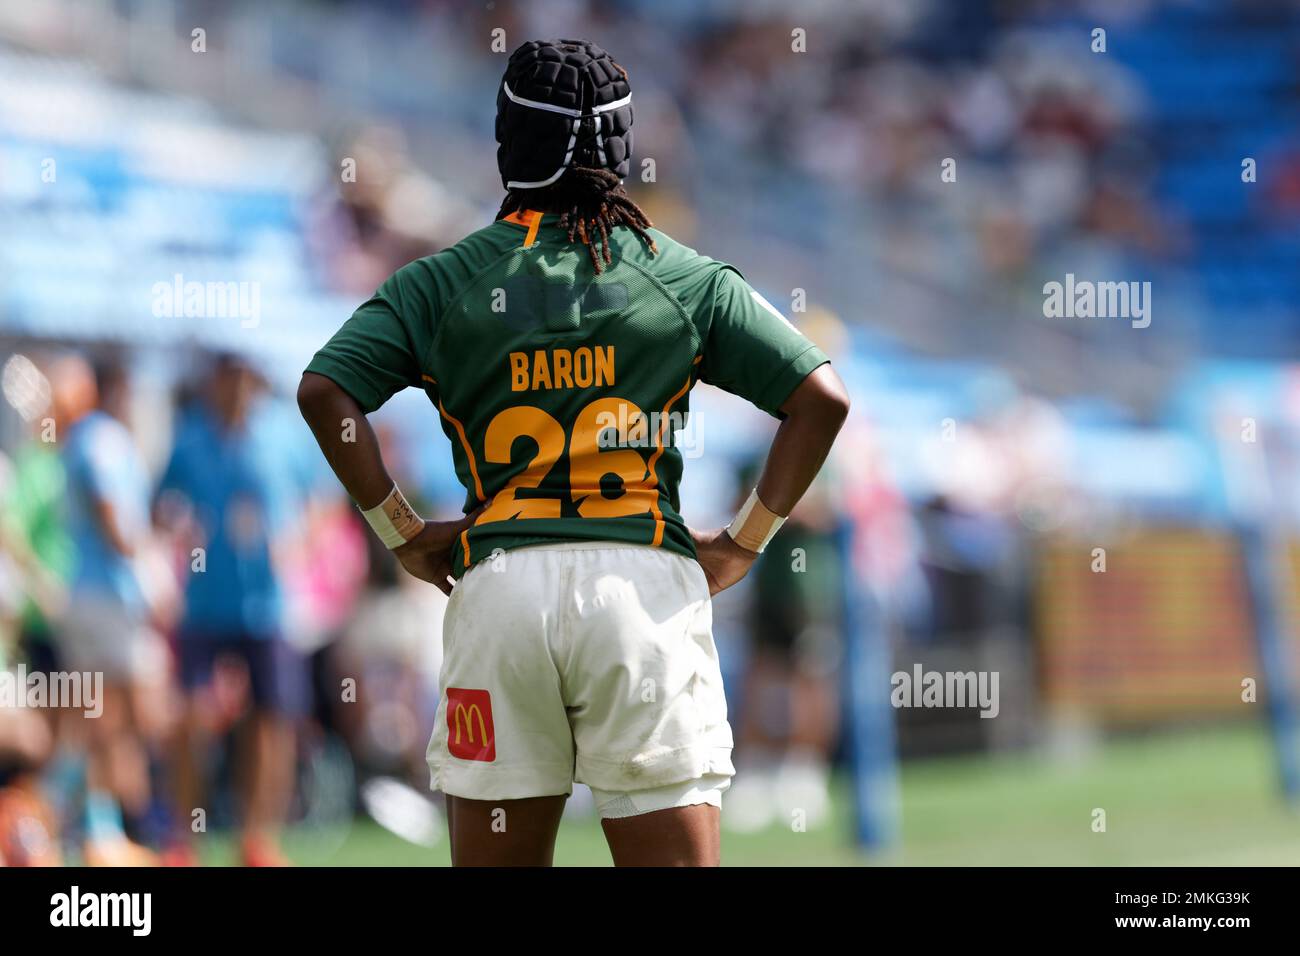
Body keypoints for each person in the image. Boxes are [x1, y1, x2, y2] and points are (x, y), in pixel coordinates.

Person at [298, 39, 849, 866]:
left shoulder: (445, 279)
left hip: (499, 594)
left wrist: (404, 533)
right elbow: (820, 399)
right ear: (620, 152)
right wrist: (743, 543)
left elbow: (324, 391)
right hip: (642, 596)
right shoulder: (681, 276)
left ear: (506, 141)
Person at [157, 353, 307, 867]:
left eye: (242, 373)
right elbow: (161, 505)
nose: (234, 384)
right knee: (191, 719)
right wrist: (178, 529)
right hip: (204, 603)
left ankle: (257, 839)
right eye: (225, 373)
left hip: (266, 606)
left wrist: (292, 543)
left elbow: (322, 501)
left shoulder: (283, 434)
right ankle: (185, 839)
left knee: (271, 723)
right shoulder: (189, 438)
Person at [57, 355, 165, 866]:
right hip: (106, 597)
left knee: (109, 719)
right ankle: (96, 828)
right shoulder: (100, 438)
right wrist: (148, 569)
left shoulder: (89, 438)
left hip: (94, 595)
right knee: (113, 718)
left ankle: (104, 827)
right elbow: (110, 515)